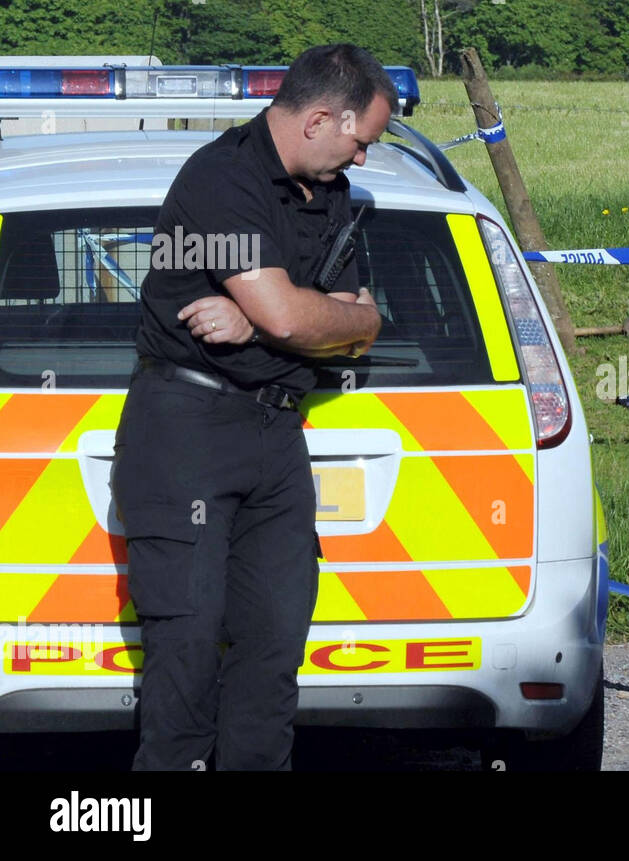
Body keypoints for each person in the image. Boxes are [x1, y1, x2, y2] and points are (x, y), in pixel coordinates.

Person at [111, 44, 394, 770]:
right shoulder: (222, 179)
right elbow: (310, 321)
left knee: (272, 659)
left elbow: (360, 327)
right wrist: (302, 316)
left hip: (277, 435)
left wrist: (277, 317)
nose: (362, 160)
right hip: (189, 435)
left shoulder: (329, 192)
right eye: (362, 141)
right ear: (321, 119)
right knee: (186, 664)